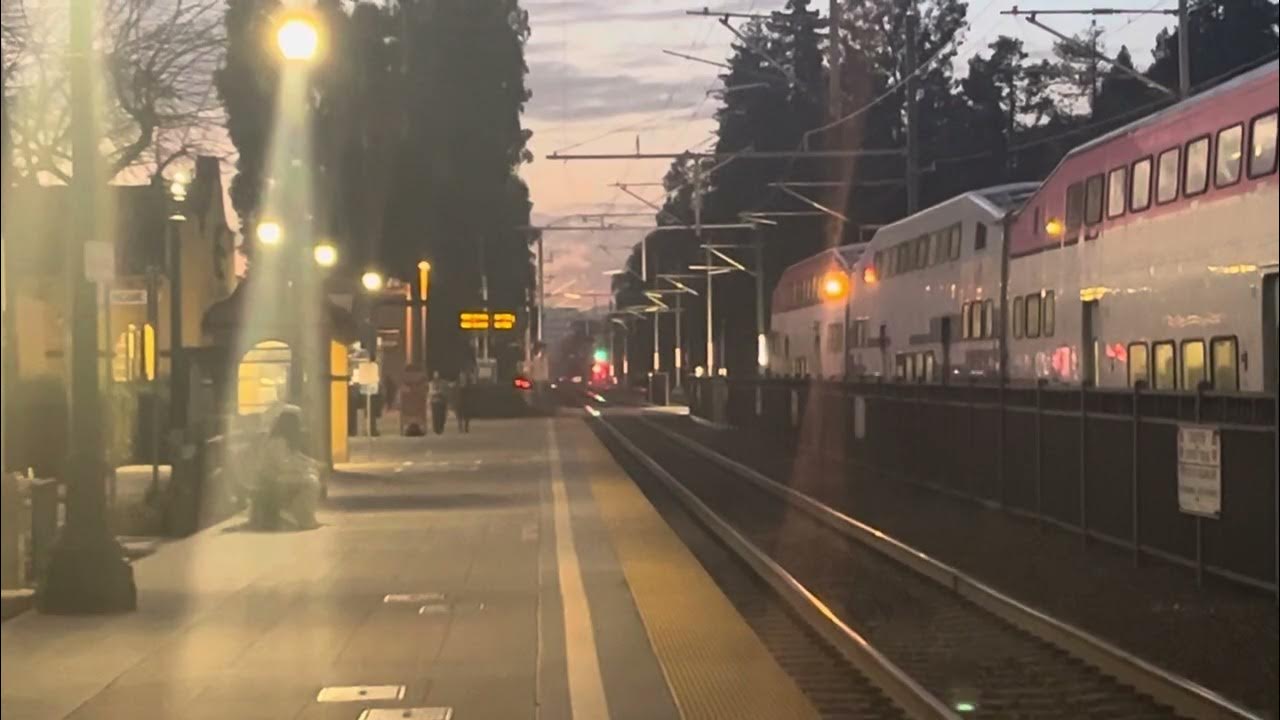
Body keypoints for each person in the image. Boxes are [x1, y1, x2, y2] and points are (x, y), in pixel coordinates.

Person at [248, 406, 321, 531]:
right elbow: (283, 465)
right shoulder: (278, 441)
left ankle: (303, 514)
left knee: (312, 476)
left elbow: (296, 456)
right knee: (311, 482)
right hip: (272, 479)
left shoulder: (284, 440)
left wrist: (312, 464)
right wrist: (304, 468)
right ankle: (305, 519)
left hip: (278, 475)